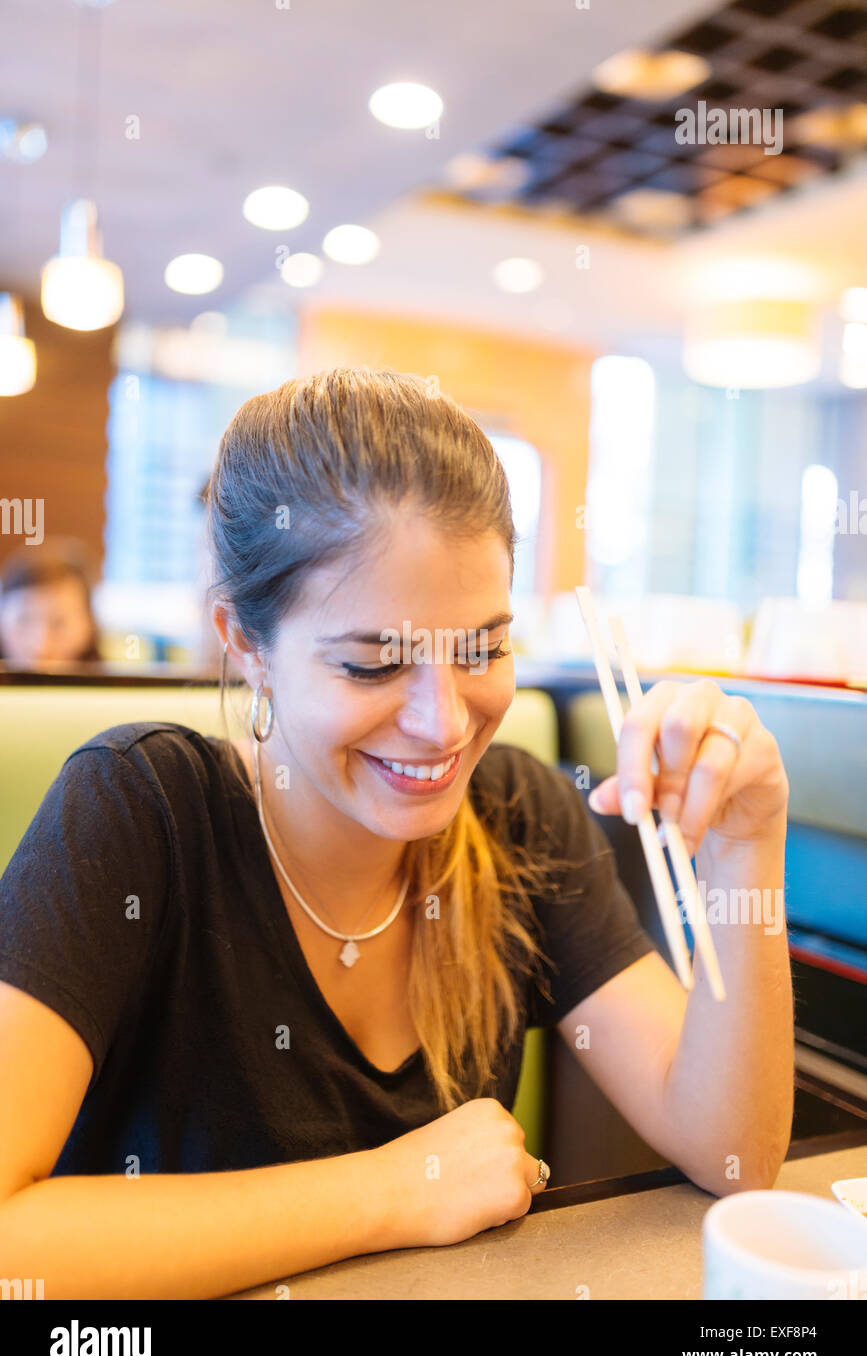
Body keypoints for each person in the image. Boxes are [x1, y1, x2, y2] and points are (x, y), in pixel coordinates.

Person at [0, 366, 793, 1300]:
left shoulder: (517, 816)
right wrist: (390, 1189)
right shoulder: (140, 811)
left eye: (482, 648)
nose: (446, 723)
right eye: (374, 663)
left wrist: (747, 840)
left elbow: (731, 1150)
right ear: (244, 643)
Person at [0, 542, 101, 666]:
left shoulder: (120, 683)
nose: (41, 646)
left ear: (89, 625)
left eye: (59, 623)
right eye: (24, 620)